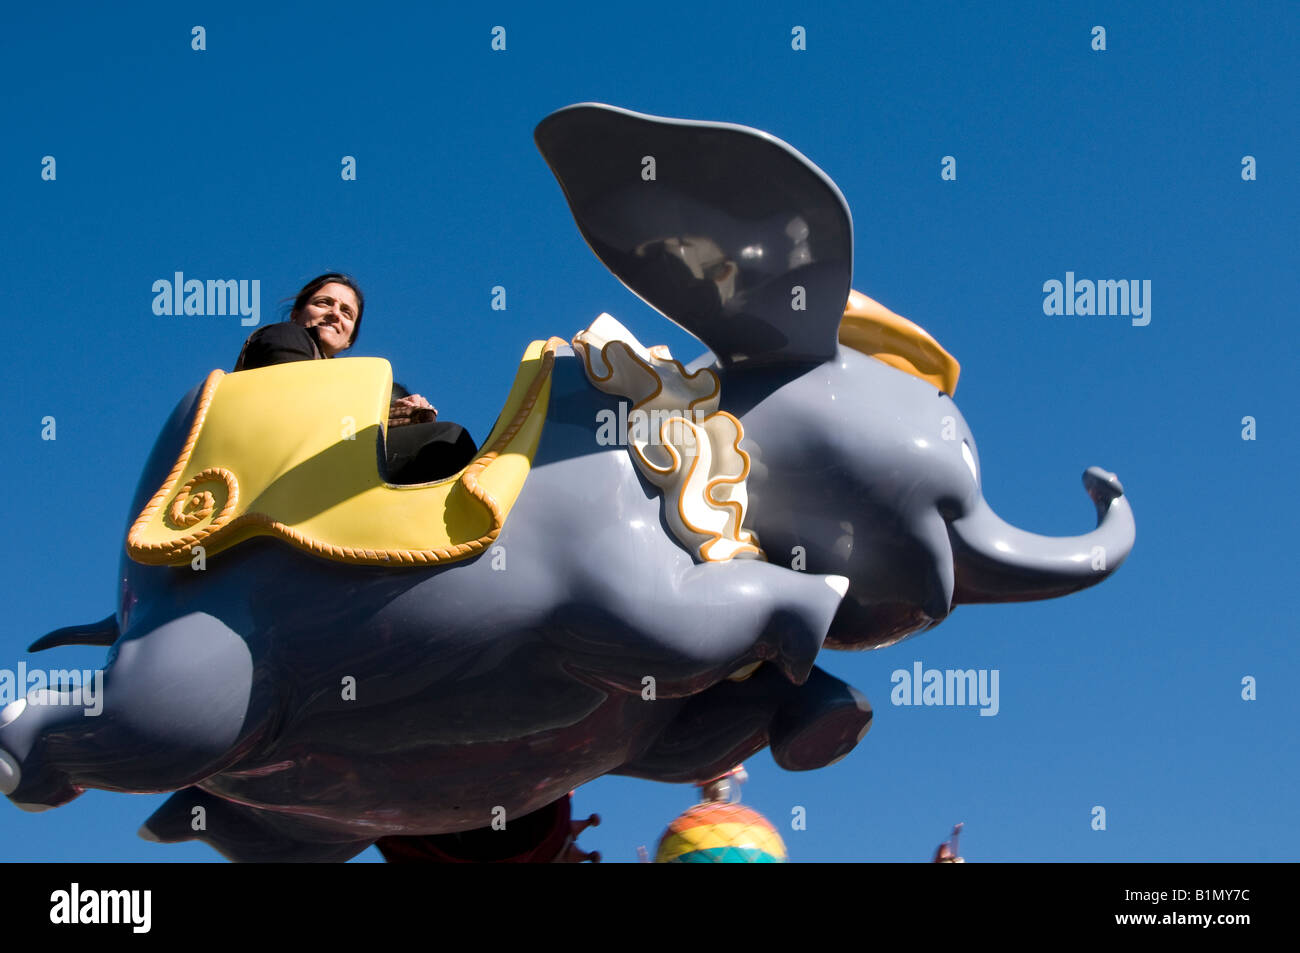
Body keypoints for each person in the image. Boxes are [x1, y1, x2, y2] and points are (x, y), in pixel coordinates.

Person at [232, 273, 477, 484]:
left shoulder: (347, 380)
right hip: (285, 459)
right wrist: (380, 420)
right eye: (323, 303)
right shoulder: (286, 335)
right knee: (447, 438)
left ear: (350, 338)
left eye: (346, 312)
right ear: (296, 314)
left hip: (328, 456)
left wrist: (408, 417)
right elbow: (295, 397)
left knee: (441, 441)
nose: (334, 314)